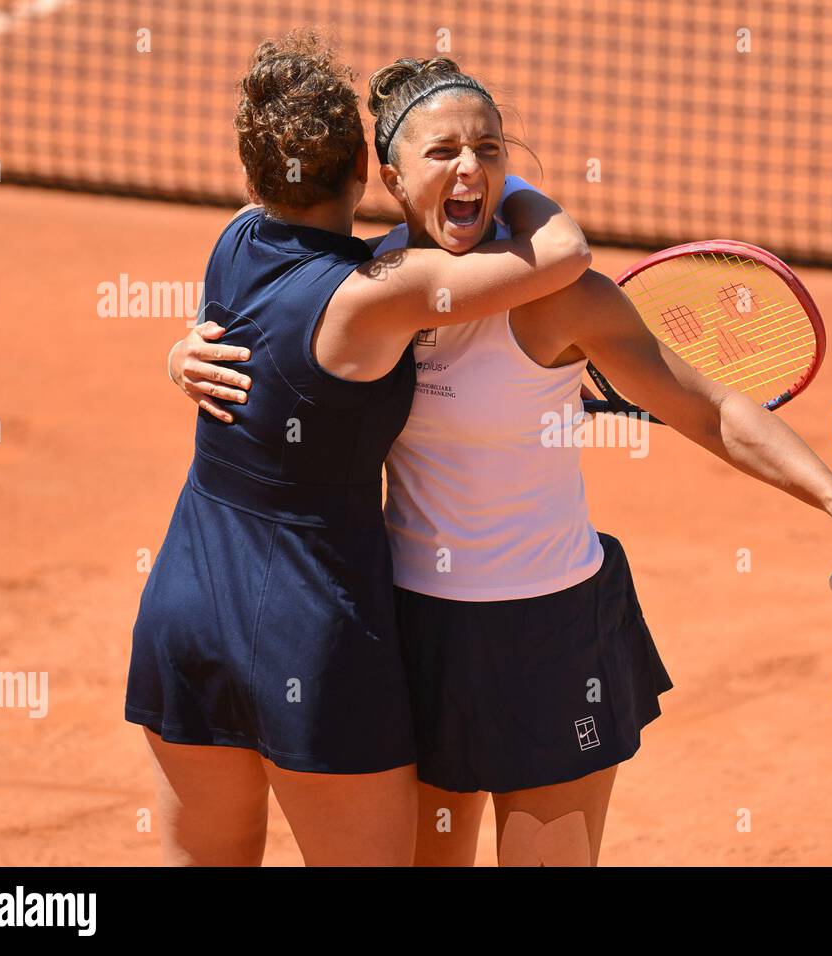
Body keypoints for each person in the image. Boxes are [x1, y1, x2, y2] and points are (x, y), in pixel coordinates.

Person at [168, 55, 832, 866]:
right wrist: (179, 354)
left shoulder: (564, 298)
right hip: (414, 632)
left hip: (552, 633)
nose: (469, 168)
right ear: (387, 176)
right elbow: (267, 337)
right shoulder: (369, 286)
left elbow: (712, 407)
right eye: (443, 151)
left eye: (490, 151)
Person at [127, 33, 590, 866]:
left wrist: (173, 354)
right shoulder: (383, 294)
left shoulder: (232, 240)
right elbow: (561, 256)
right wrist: (492, 172)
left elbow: (261, 337)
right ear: (362, 178)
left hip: (186, 607)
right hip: (311, 629)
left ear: (252, 176)